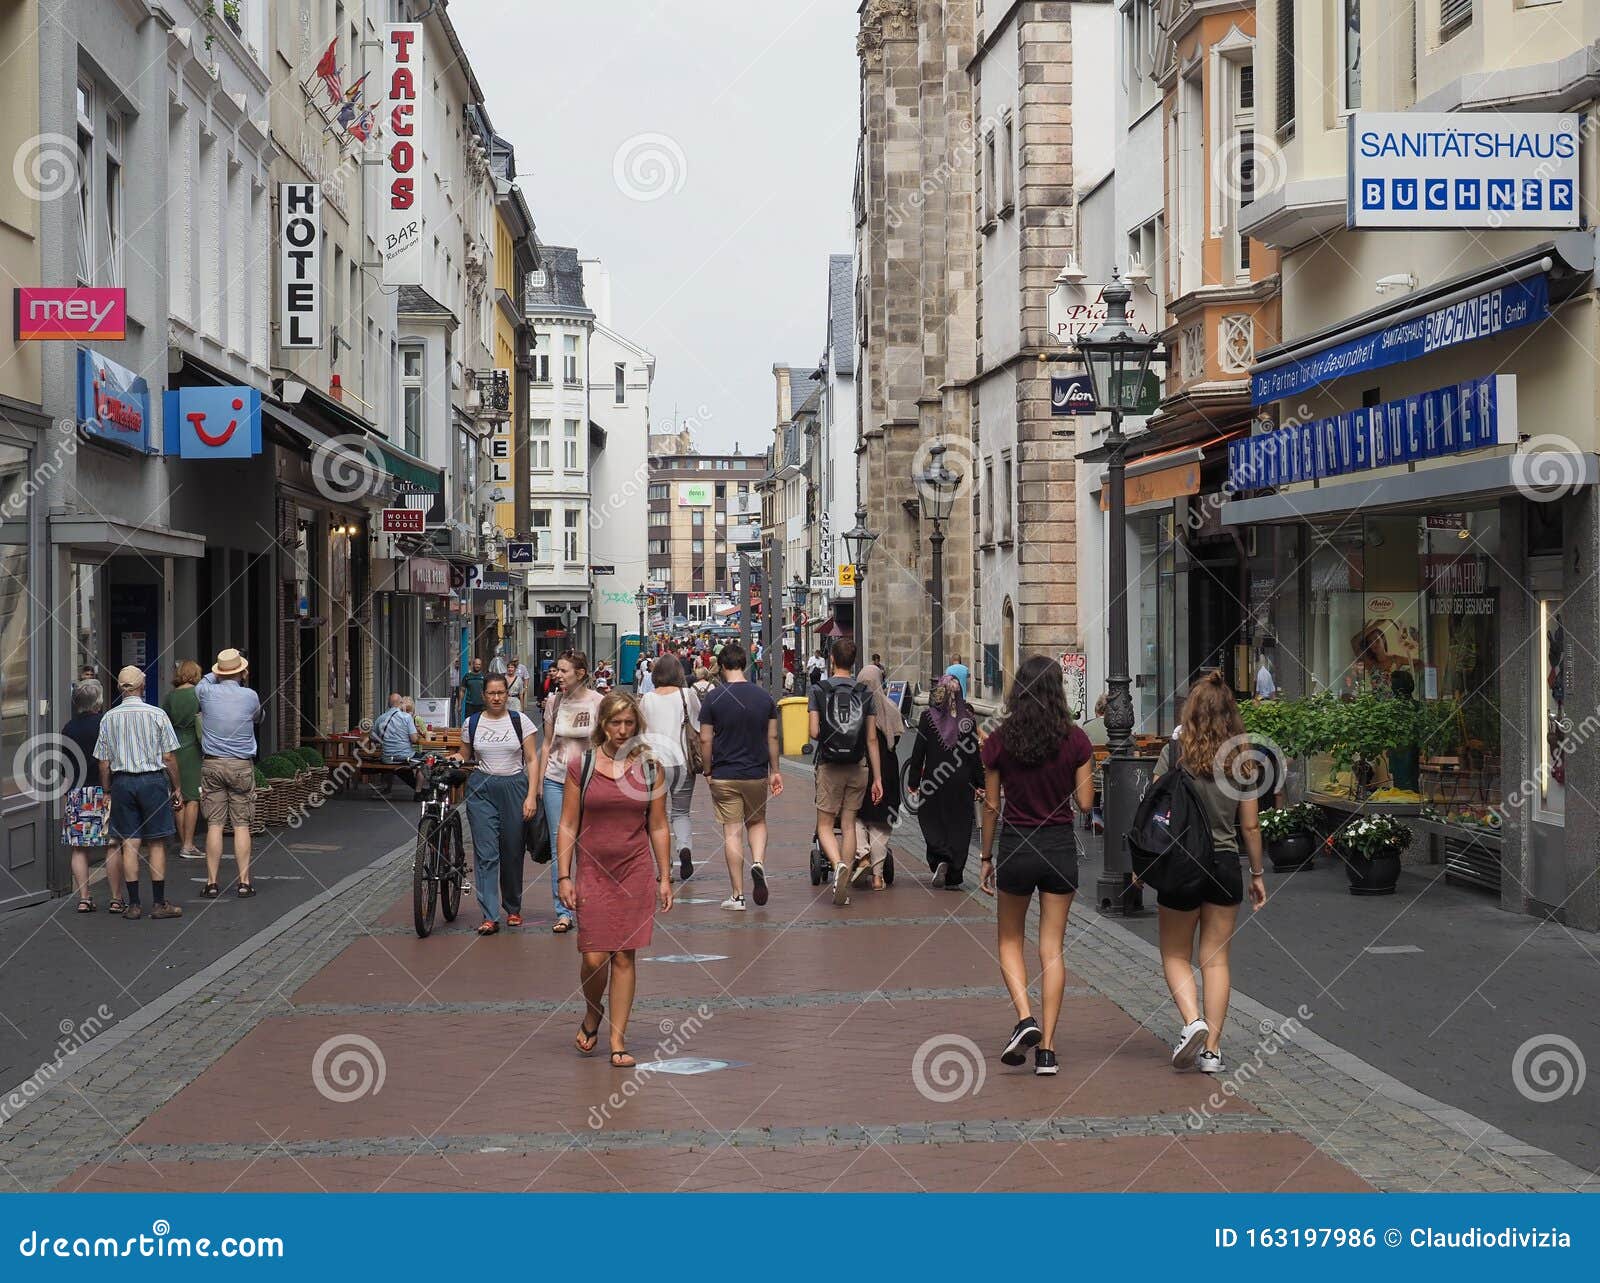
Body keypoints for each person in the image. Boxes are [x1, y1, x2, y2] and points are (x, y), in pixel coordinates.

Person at [979, 654, 1094, 1076]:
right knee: (1052, 949)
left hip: (1016, 846)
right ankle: (1047, 1049)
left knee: (1010, 939)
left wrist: (986, 856)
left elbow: (992, 806)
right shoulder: (1075, 740)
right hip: (1059, 846)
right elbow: (1085, 803)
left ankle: (1024, 1018)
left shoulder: (1000, 740)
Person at [1155, 672, 1268, 1074]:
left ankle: (1192, 1021)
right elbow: (1250, 826)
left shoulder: (1175, 749)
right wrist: (1256, 873)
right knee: (1216, 960)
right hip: (1223, 863)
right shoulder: (1244, 758)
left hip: (1180, 862)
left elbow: (1156, 804)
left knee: (1174, 953)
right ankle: (1213, 1051)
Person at [558, 690, 673, 1067]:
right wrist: (563, 875)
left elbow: (657, 825)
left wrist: (664, 876)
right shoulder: (583, 765)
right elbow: (568, 822)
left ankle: (618, 1040)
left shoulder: (650, 767)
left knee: (624, 955)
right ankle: (593, 1011)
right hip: (592, 870)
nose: (622, 731)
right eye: (615, 723)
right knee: (594, 958)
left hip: (634, 869)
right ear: (602, 725)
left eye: (629, 724)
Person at [95, 667, 184, 921]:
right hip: (153, 782)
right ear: (142, 687)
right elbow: (168, 757)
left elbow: (103, 762)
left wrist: (107, 789)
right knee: (156, 842)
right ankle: (158, 903)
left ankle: (133, 905)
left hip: (122, 783)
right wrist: (177, 786)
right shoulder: (156, 714)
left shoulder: (109, 718)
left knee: (129, 843)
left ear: (120, 688)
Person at [697, 641, 781, 910]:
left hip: (724, 772)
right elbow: (772, 736)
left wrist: (707, 769)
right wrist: (775, 771)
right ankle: (757, 862)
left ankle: (738, 895)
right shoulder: (764, 698)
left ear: (722, 667)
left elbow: (706, 740)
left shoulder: (713, 698)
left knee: (732, 832)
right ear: (744, 664)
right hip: (756, 772)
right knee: (756, 822)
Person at [460, 671, 539, 934]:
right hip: (481, 788)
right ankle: (490, 915)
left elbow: (532, 759)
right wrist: (457, 759)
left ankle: (513, 907)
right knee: (486, 853)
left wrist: (531, 795)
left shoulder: (520, 721)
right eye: (491, 693)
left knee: (512, 851)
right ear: (483, 696)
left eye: (501, 693)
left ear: (508, 694)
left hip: (514, 787)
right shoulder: (472, 723)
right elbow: (465, 754)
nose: (496, 698)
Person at [808, 637, 882, 906]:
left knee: (825, 824)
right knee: (849, 825)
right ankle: (845, 879)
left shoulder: (818, 690)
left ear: (831, 660)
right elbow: (872, 738)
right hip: (858, 765)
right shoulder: (865, 692)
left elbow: (814, 731)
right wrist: (878, 778)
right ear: (854, 662)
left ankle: (838, 863)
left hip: (829, 765)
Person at [537, 650, 603, 933]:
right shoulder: (554, 701)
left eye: (563, 671)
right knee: (559, 845)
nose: (558, 675)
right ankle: (563, 911)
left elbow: (604, 743)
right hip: (556, 778)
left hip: (588, 779)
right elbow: (547, 742)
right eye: (557, 671)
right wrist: (539, 783)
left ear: (580, 673)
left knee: (589, 845)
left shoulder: (598, 702)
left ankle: (590, 904)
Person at [196, 648, 265, 898]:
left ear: (218, 672)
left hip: (212, 764)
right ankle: (244, 882)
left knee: (214, 825)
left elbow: (204, 680)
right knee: (242, 825)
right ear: (242, 672)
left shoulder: (205, 691)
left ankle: (212, 882)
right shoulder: (250, 696)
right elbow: (258, 718)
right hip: (240, 766)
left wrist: (217, 671)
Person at [906, 674, 984, 889]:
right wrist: (980, 783)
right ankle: (954, 874)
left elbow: (918, 752)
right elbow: (974, 755)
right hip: (961, 780)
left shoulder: (927, 718)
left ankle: (941, 857)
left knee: (932, 818)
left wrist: (913, 781)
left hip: (934, 779)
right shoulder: (968, 718)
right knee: (959, 823)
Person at [637, 652, 701, 881]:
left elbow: (640, 734)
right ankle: (684, 848)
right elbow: (699, 723)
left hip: (656, 764)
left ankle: (666, 869)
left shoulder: (647, 699)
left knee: (657, 816)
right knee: (681, 812)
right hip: (683, 761)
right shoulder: (688, 694)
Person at [61, 680, 116, 913]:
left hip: (77, 791)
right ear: (99, 702)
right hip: (103, 790)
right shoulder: (106, 724)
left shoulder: (68, 728)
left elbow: (65, 766)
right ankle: (116, 898)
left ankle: (84, 897)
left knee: (79, 848)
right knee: (112, 845)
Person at [852, 663, 903, 891]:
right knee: (881, 823)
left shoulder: (853, 708)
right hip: (887, 770)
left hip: (860, 768)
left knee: (855, 815)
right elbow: (898, 738)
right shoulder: (891, 707)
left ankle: (862, 855)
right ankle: (877, 877)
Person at [163, 661, 204, 861]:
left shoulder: (170, 697)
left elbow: (164, 722)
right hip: (193, 747)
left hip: (173, 748)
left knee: (178, 796)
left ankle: (183, 841)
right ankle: (188, 844)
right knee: (193, 798)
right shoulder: (198, 694)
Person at [372, 692, 420, 796]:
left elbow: (374, 739)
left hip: (387, 758)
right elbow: (414, 739)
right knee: (425, 760)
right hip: (405, 757)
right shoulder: (406, 717)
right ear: (401, 703)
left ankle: (387, 788)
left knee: (390, 759)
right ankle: (419, 791)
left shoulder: (380, 718)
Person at [458, 656, 487, 725]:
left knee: (481, 724)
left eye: (479, 664)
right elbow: (462, 691)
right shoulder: (467, 676)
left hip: (481, 705)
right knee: (469, 724)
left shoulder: (484, 676)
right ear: (473, 664)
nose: (477, 666)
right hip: (470, 704)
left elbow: (487, 691)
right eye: (476, 664)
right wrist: (459, 704)